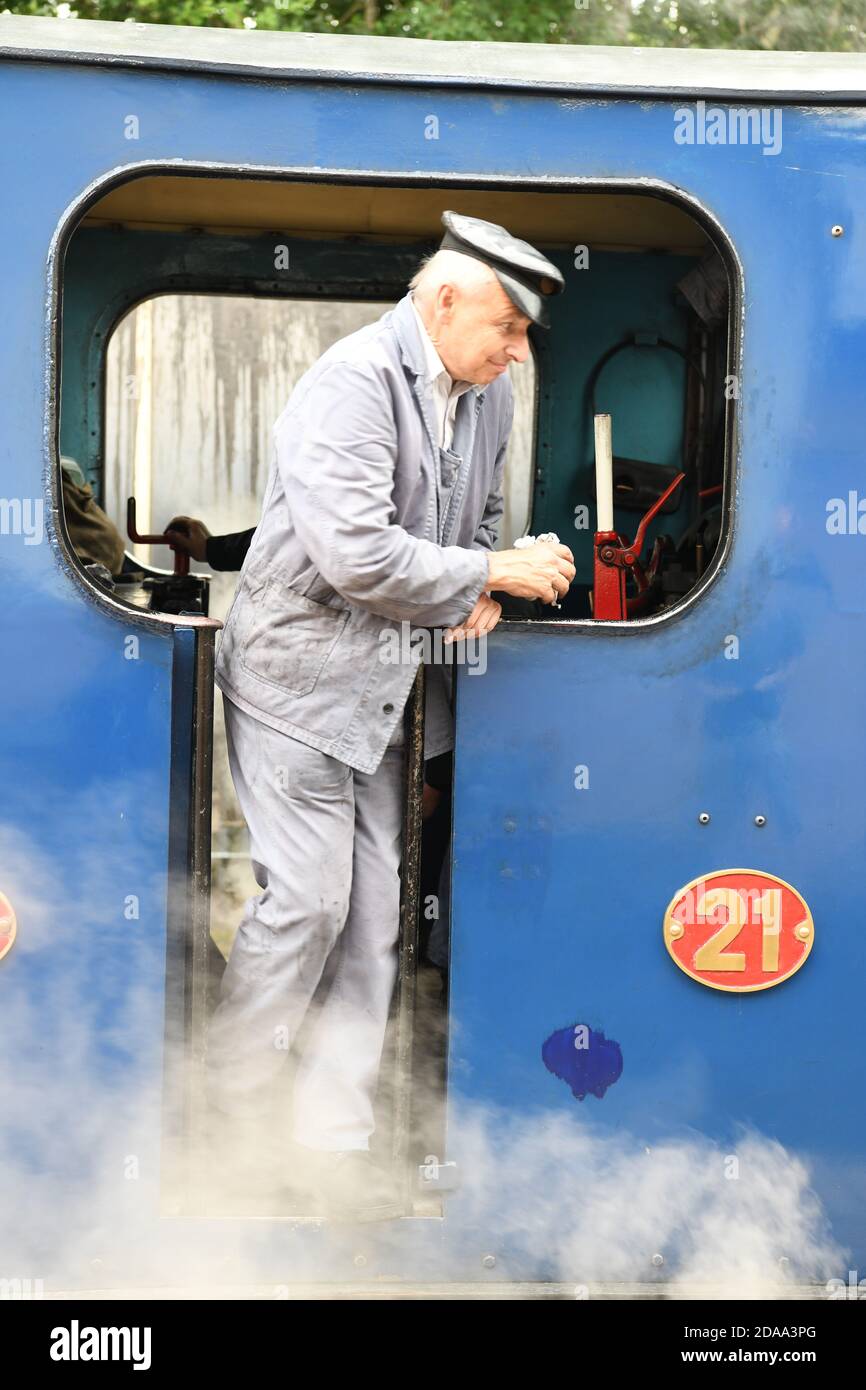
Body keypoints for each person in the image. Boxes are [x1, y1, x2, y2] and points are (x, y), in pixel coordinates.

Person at [203, 210, 575, 1217]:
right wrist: (483, 572)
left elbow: (477, 521)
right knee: (309, 904)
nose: (514, 349)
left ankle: (331, 1141)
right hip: (295, 685)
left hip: (385, 689)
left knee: (371, 924)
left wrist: (474, 581)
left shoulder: (488, 397)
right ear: (440, 299)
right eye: (505, 325)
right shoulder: (353, 382)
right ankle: (222, 1125)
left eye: (524, 335)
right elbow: (355, 553)